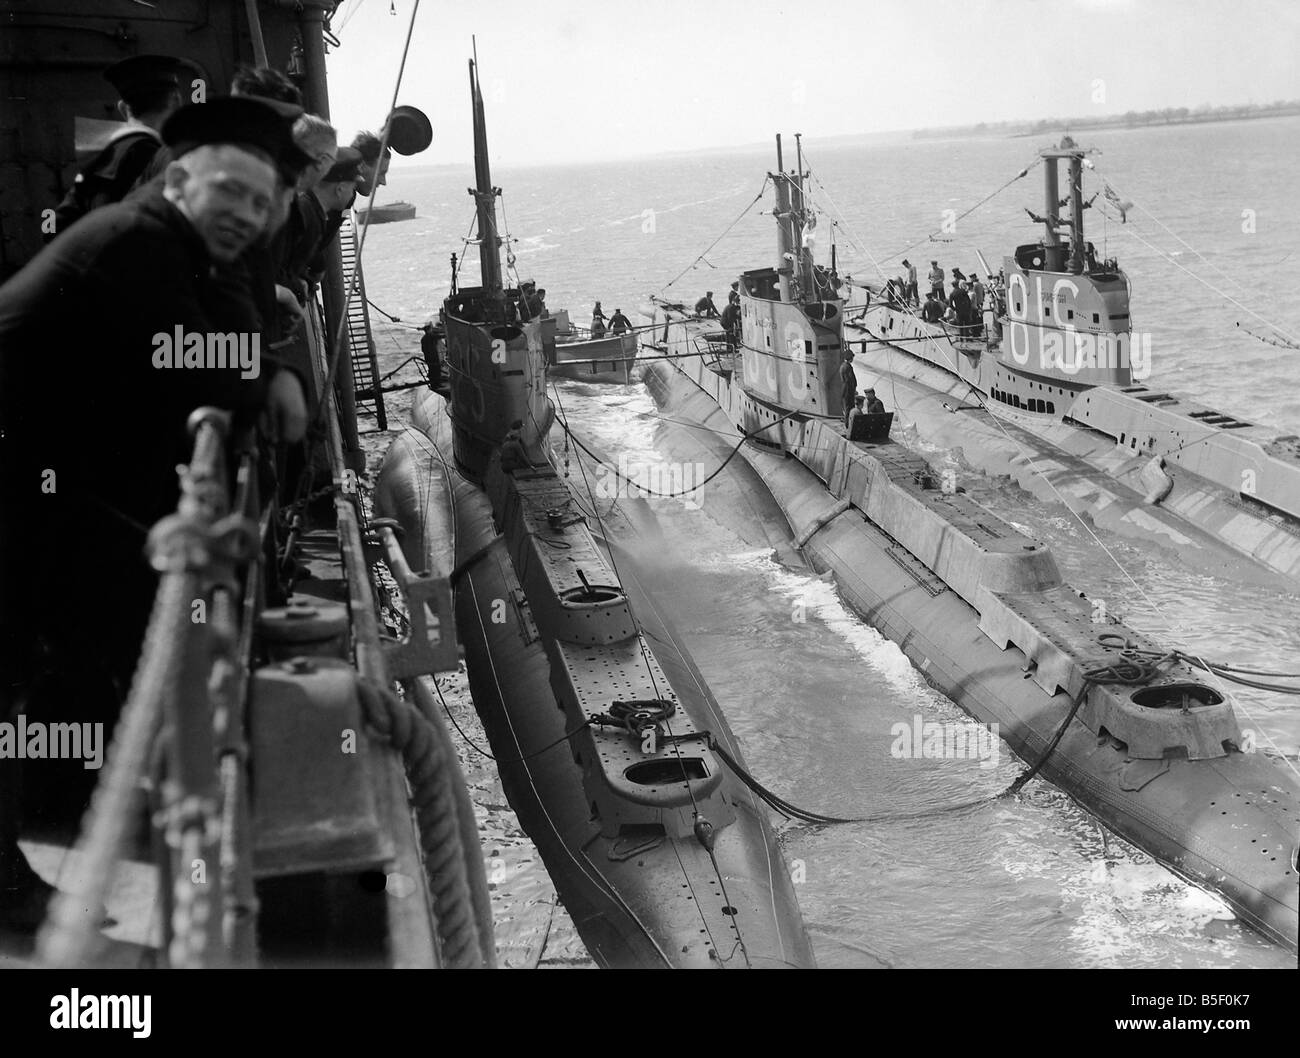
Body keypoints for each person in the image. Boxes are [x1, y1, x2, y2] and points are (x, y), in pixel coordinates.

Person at [0, 96, 309, 931]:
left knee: (71, 641)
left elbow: (223, 330)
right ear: (177, 179)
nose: (246, 215)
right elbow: (197, 361)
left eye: (260, 201)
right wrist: (278, 377)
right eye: (230, 194)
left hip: (44, 475)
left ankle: (77, 801)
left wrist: (263, 361)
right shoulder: (139, 242)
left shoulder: (168, 240)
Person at [49, 55, 190, 238]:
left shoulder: (98, 156)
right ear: (176, 100)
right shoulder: (162, 158)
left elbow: (55, 226)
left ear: (123, 108)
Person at [840, 348, 858, 427]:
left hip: (845, 389)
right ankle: (848, 425)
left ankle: (847, 423)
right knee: (849, 407)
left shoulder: (843, 366)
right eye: (852, 357)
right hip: (848, 390)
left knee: (847, 407)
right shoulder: (847, 367)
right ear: (850, 358)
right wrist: (853, 390)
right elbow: (849, 380)